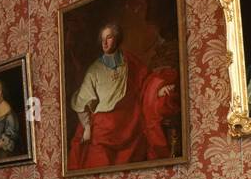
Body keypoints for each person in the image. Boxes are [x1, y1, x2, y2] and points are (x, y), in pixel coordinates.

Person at [68, 22, 177, 170]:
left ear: (117, 38)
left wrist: (157, 91)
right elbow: (81, 102)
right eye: (102, 39)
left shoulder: (129, 61)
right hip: (103, 130)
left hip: (129, 124)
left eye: (109, 38)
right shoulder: (94, 70)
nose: (105, 43)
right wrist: (87, 127)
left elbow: (145, 83)